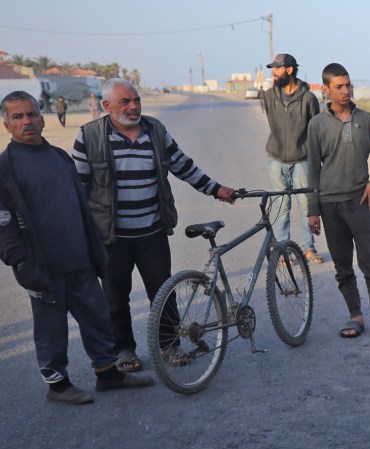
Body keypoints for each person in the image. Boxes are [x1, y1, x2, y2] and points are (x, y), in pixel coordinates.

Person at [72, 78, 237, 372]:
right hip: (111, 236)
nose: (134, 106)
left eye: (136, 100)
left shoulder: (155, 131)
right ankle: (124, 350)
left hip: (152, 231)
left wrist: (217, 189)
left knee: (163, 292)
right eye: (125, 102)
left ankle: (169, 345)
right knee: (115, 296)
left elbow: (183, 166)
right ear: (107, 106)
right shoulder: (90, 136)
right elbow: (77, 187)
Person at [0, 91, 153, 404]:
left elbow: (81, 205)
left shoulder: (58, 155)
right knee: (51, 329)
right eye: (18, 117)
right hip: (43, 267)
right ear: (7, 125)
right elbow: (3, 223)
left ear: (43, 118)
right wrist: (22, 264)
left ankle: (108, 374)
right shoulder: (6, 167)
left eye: (31, 114)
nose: (27, 121)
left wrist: (96, 248)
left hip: (80, 259)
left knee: (98, 319)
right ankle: (58, 385)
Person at [306, 63, 370, 339]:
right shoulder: (317, 125)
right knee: (342, 265)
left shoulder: (366, 120)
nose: (346, 91)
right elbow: (312, 169)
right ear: (326, 90)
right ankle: (355, 316)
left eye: (348, 85)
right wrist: (313, 211)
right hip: (330, 206)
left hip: (360, 203)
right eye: (339, 87)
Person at [262, 53, 324, 264]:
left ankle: (308, 249)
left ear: (289, 69)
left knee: (306, 205)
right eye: (273, 68)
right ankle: (283, 250)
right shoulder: (269, 96)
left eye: (277, 68)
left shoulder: (308, 99)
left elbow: (315, 130)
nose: (274, 72)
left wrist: (313, 158)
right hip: (276, 160)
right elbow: (271, 120)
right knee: (281, 207)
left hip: (302, 160)